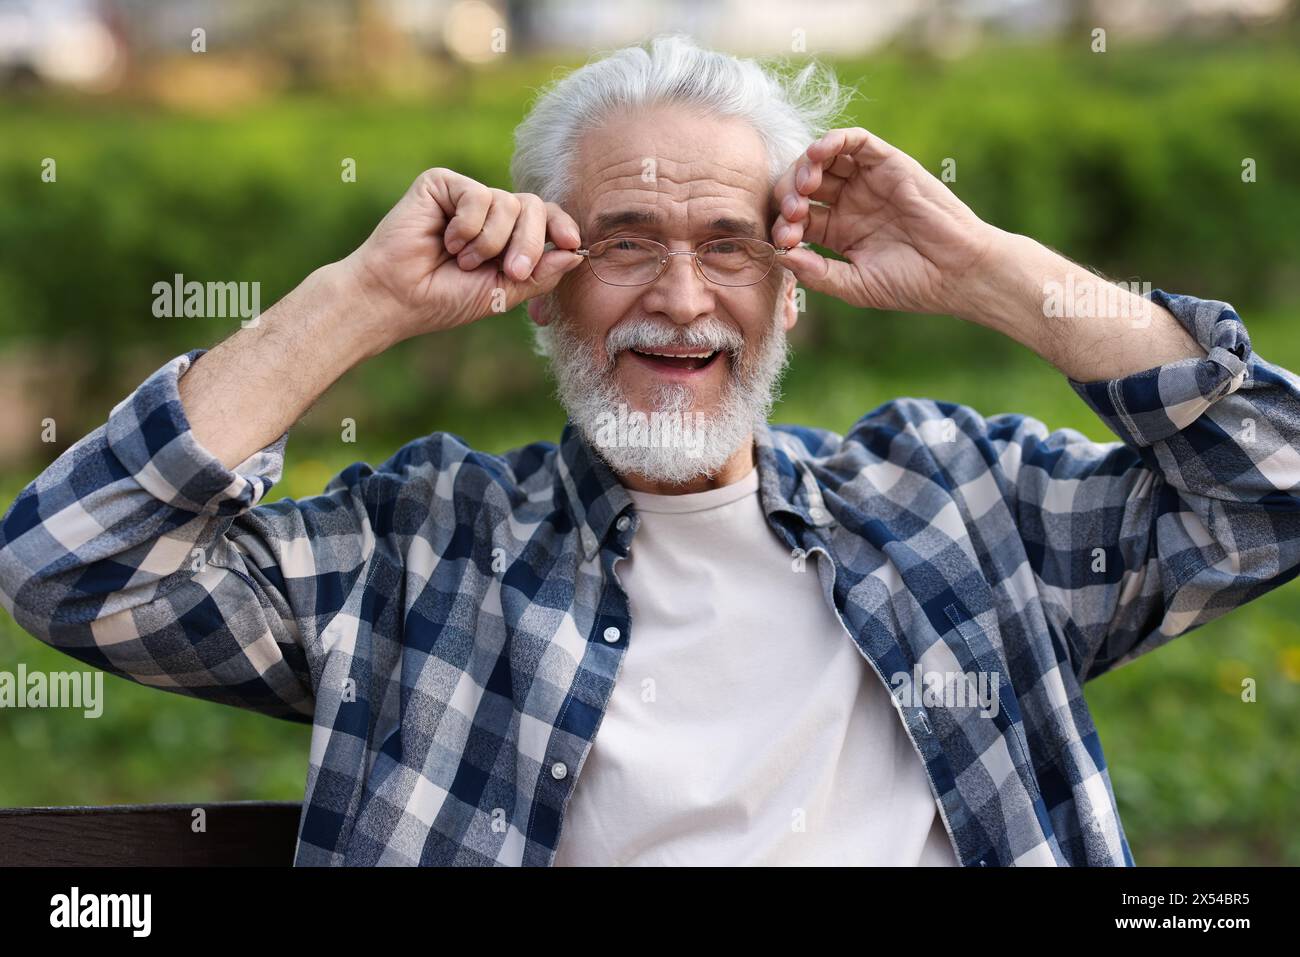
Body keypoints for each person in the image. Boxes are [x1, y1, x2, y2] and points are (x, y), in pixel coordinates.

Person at [2, 35, 1296, 867]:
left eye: (730, 246)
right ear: (546, 284)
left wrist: (991, 271)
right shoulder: (427, 547)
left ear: (794, 290)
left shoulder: (960, 503)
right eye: (624, 241)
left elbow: (1272, 484)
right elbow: (74, 565)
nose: (681, 299)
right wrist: (363, 297)